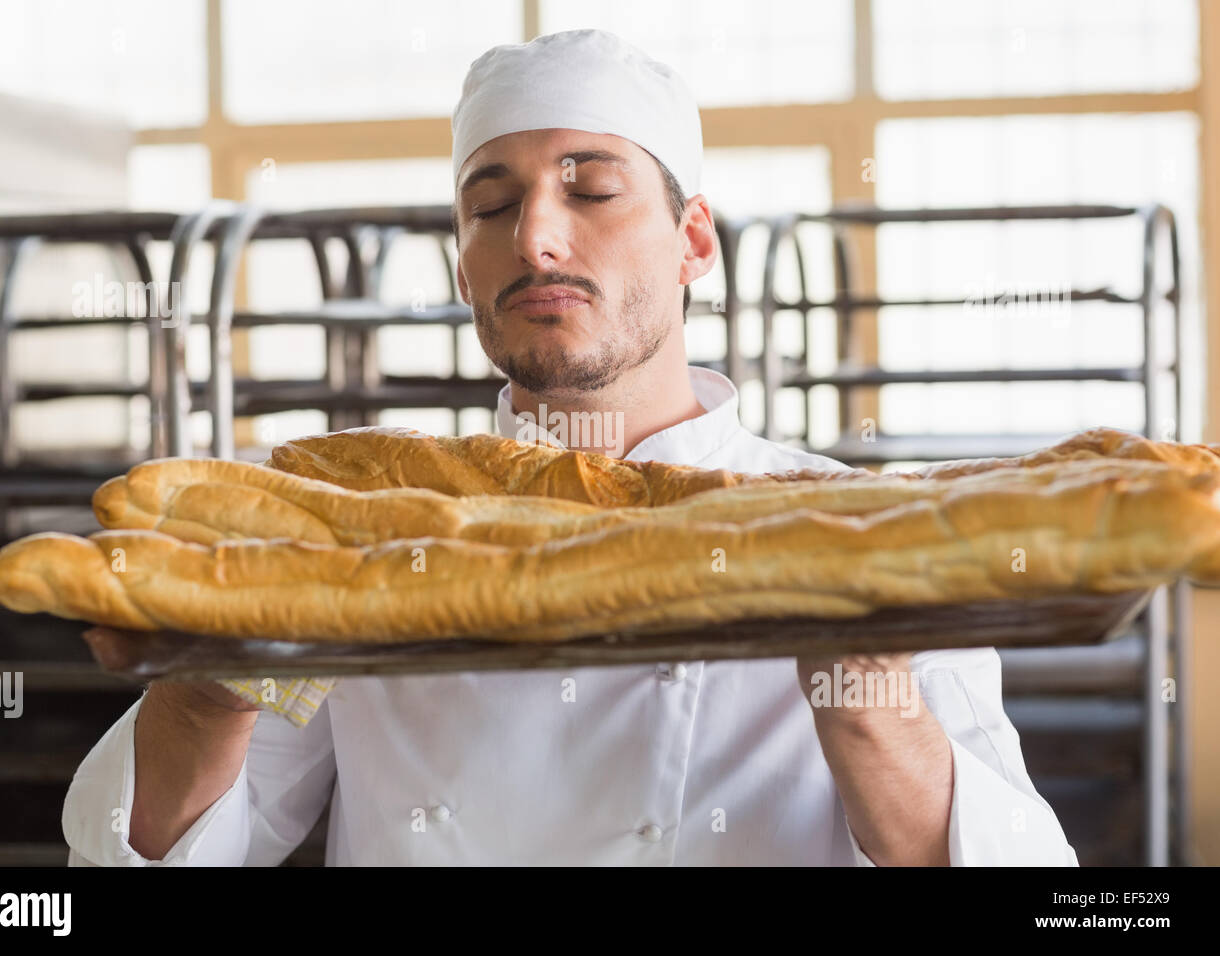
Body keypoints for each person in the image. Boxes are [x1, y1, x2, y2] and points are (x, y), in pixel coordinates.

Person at [62, 29, 1078, 866]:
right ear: (462, 270)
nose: (535, 237)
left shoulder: (863, 533)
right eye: (490, 205)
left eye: (590, 190)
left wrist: (868, 706)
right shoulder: (349, 534)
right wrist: (204, 680)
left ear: (693, 241)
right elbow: (128, 864)